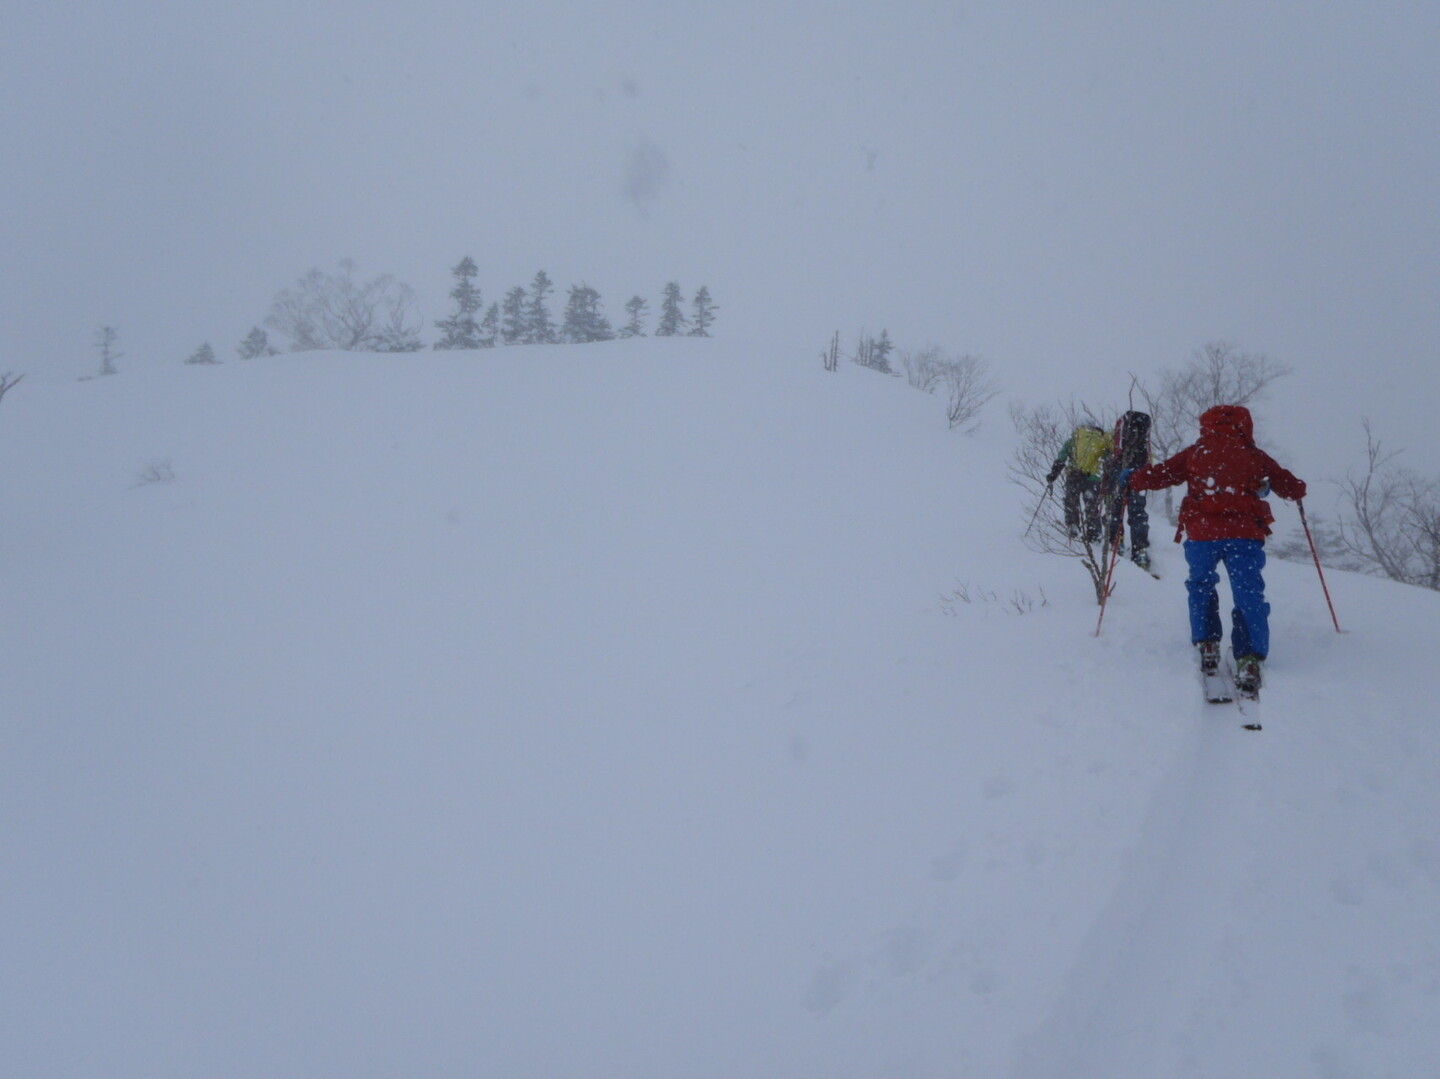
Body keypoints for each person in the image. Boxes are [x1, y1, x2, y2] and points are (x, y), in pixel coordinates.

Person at [1125, 404, 1305, 694]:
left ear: (1207, 425)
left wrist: (1133, 479)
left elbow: (1162, 474)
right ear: (1245, 425)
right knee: (1248, 592)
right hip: (1244, 535)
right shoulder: (1253, 454)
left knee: (1201, 585)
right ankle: (1248, 657)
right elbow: (1291, 486)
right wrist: (1293, 488)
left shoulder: (1197, 452)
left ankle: (1208, 643)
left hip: (1202, 534)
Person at [1045, 420, 1113, 543]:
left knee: (1071, 502)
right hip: (1093, 478)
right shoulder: (1101, 441)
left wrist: (1052, 476)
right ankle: (1094, 534)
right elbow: (1108, 459)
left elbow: (1062, 458)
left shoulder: (1075, 439)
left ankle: (1073, 528)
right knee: (1092, 506)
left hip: (1074, 476)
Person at [1103, 410, 1154, 570]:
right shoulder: (1144, 440)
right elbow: (1150, 458)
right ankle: (1140, 550)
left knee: (1115, 509)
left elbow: (1111, 450)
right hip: (1140, 473)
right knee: (1138, 512)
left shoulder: (1119, 432)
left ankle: (1117, 542)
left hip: (1120, 470)